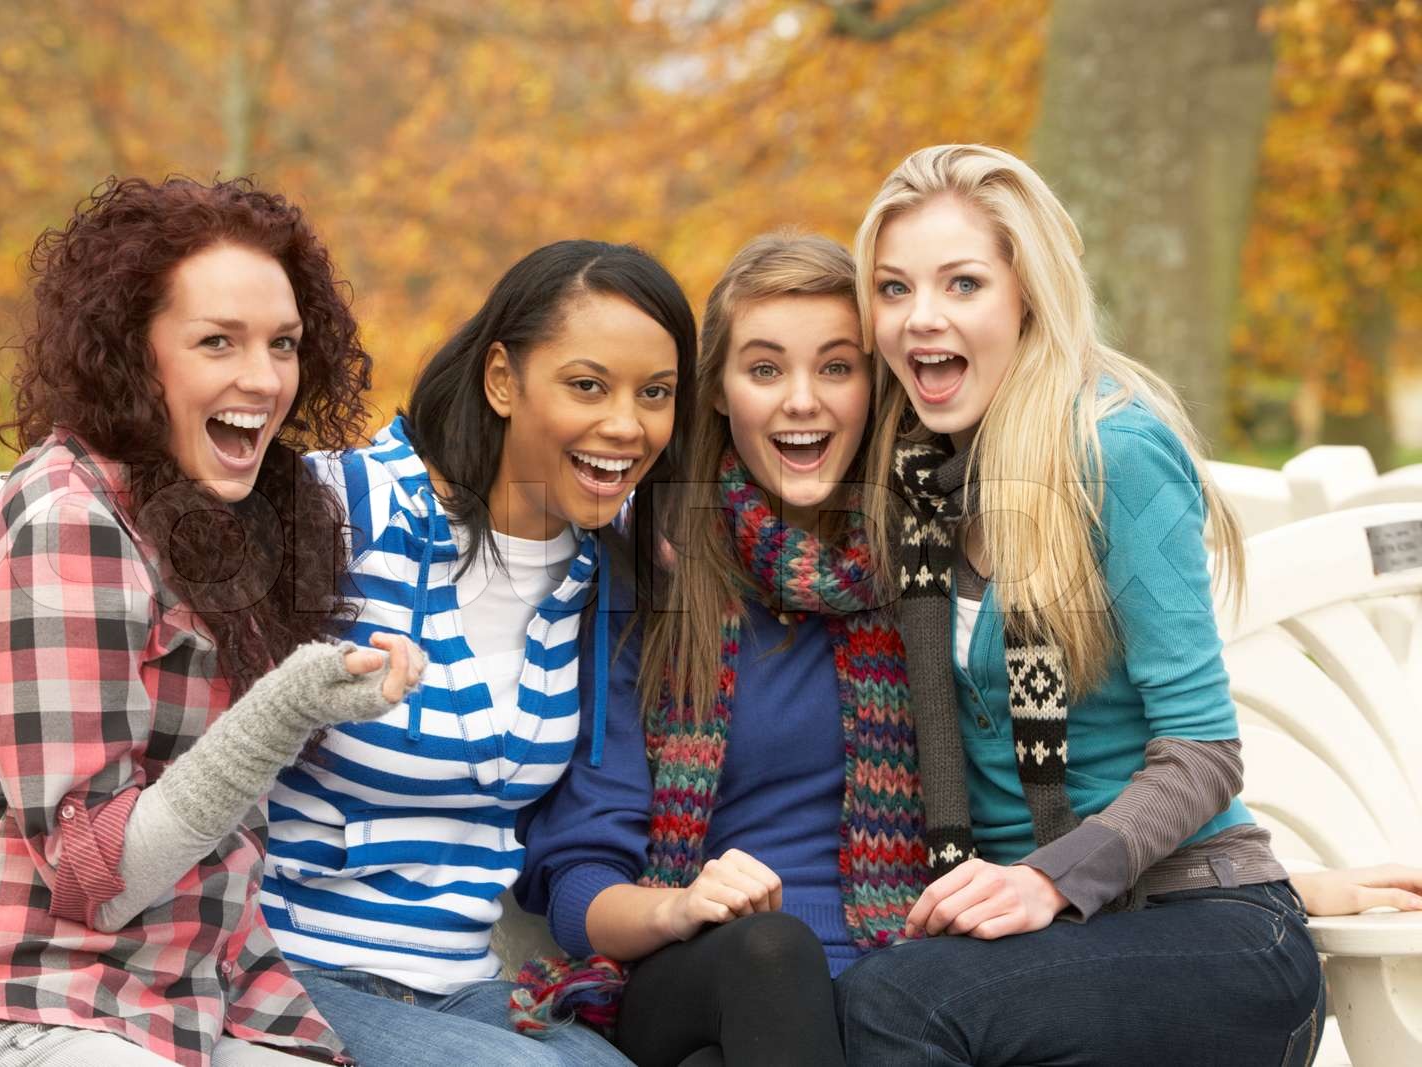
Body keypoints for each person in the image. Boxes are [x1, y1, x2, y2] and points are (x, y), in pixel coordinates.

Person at [0, 238, 694, 1067]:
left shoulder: (614, 576)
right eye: (588, 385)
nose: (625, 424)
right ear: (501, 381)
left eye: (656, 393)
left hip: (467, 979)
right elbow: (62, 568)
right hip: (284, 966)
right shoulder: (340, 509)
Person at [0, 176, 423, 1067]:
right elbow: (97, 875)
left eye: (284, 344)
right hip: (17, 996)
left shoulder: (227, 509)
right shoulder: (67, 522)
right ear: (134, 354)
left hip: (180, 995)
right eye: (217, 342)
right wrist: (289, 703)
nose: (264, 377)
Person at [832, 142, 1328, 1065]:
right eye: (893, 289)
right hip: (1047, 938)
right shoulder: (914, 478)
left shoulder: (1114, 454)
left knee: (899, 1003)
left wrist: (1048, 881)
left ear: (1029, 294)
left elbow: (1204, 752)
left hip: (1204, 920)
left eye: (963, 283)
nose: (919, 318)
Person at [516, 233, 884, 1067]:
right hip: (706, 968)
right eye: (764, 369)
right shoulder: (654, 581)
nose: (802, 401)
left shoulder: (920, 579)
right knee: (772, 951)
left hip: (892, 972)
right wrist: (682, 904)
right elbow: (578, 884)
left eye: (836, 366)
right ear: (716, 392)